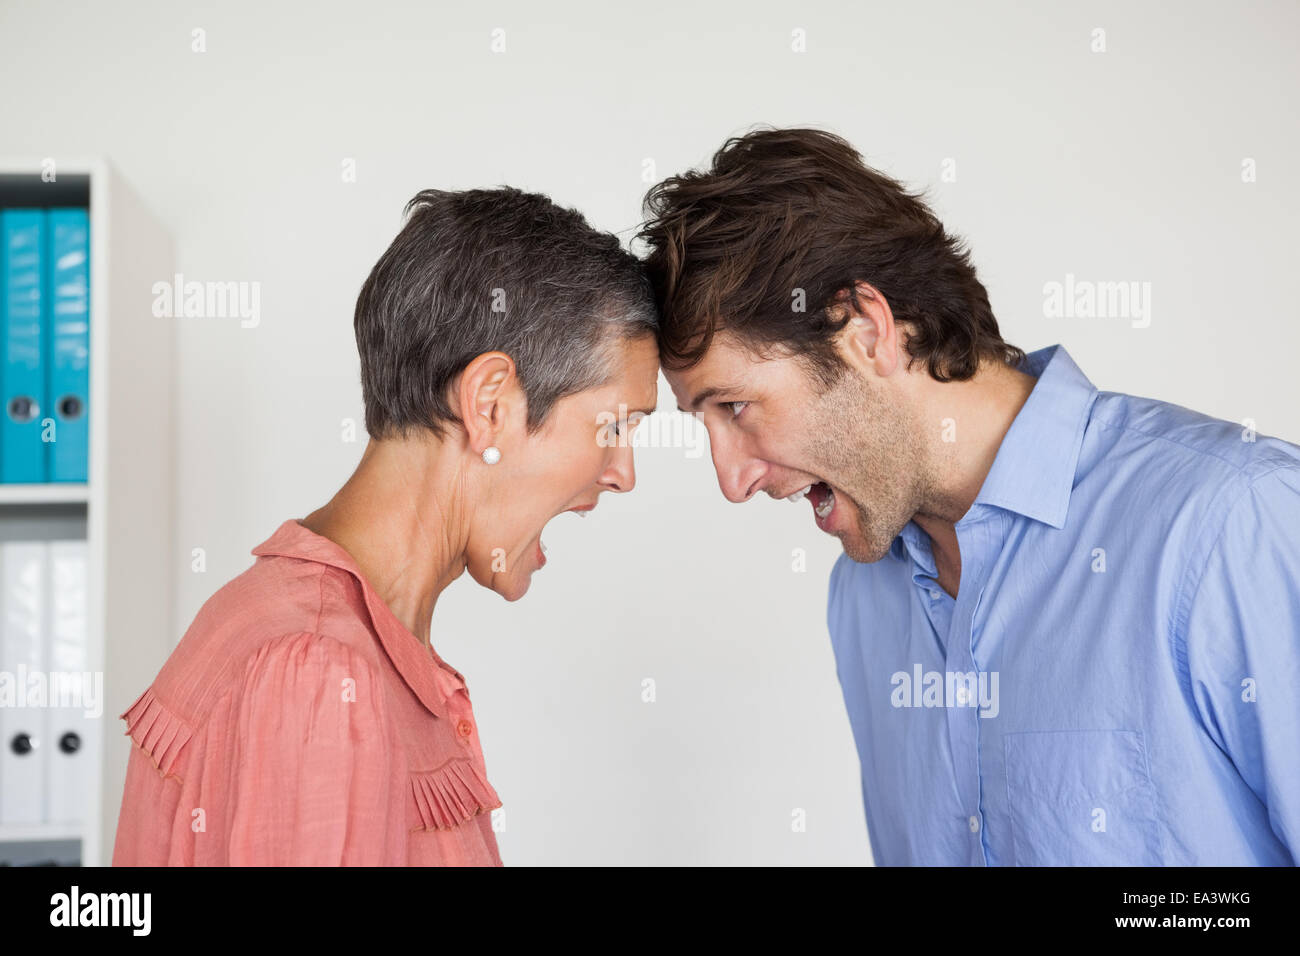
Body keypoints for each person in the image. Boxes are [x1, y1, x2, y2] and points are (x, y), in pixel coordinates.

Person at [636, 126, 1300, 865]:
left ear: (865, 331)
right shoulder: (861, 597)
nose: (732, 482)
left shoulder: (1237, 524)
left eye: (734, 408)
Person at [112, 187, 659, 865]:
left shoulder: (318, 638)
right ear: (490, 405)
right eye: (614, 425)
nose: (622, 473)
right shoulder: (318, 678)